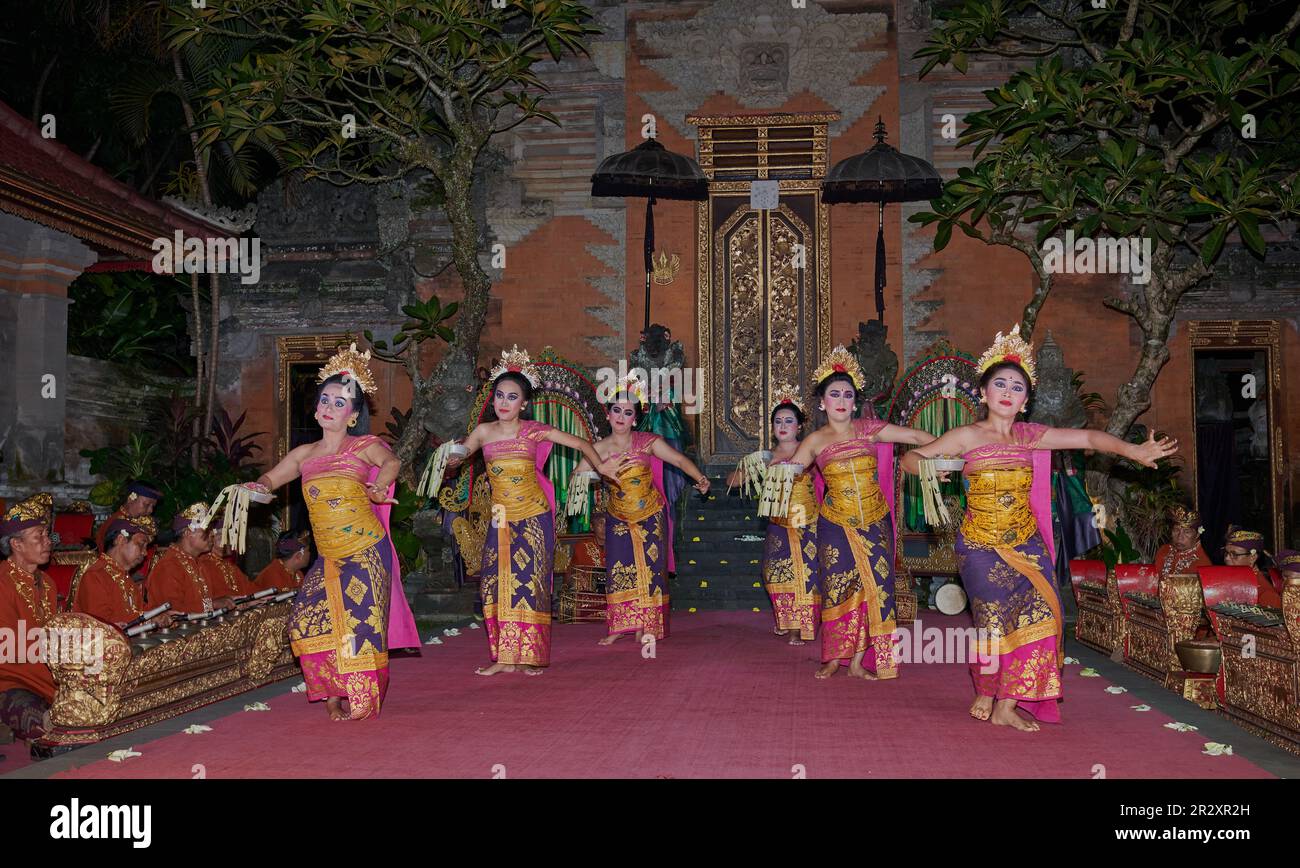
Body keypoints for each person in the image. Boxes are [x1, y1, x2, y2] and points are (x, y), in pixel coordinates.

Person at [902, 325, 1177, 731]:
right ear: (983, 393)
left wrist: (1133, 451)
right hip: (980, 547)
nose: (1008, 391)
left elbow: (1088, 437)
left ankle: (1007, 703)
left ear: (1026, 401)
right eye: (1000, 383)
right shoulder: (964, 436)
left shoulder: (1032, 437)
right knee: (994, 622)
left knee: (1043, 615)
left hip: (1028, 545)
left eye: (1017, 386)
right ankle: (987, 685)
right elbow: (910, 460)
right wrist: (929, 468)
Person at [253, 343, 421, 720]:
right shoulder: (304, 454)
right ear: (316, 408)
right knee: (305, 619)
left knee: (360, 625)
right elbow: (271, 478)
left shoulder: (364, 445)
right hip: (329, 555)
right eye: (325, 400)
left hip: (364, 550)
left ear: (353, 414)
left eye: (340, 402)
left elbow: (390, 461)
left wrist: (381, 485)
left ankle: (361, 700)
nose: (329, 407)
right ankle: (332, 691)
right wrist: (254, 487)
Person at [446, 346, 616, 675]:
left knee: (530, 583)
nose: (504, 402)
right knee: (496, 582)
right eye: (499, 396)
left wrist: (604, 469)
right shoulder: (483, 432)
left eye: (512, 397)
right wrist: (450, 459)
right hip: (500, 518)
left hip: (534, 515)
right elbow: (460, 455)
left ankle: (529, 655)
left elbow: (581, 444)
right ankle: (505, 658)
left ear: (523, 403)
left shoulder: (534, 430)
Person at [786, 348, 936, 680]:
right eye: (834, 394)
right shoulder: (814, 440)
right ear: (822, 403)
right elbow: (791, 473)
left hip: (874, 518)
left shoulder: (870, 429)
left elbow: (913, 436)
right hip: (835, 523)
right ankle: (833, 657)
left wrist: (938, 454)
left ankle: (858, 662)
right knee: (839, 586)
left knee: (877, 588)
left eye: (848, 395)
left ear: (855, 403)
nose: (841, 399)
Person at [572, 372, 710, 648]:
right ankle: (620, 626)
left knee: (649, 570)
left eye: (628, 412)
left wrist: (700, 479)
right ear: (609, 416)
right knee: (619, 569)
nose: (621, 416)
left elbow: (679, 460)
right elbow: (576, 476)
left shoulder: (648, 441)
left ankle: (646, 625)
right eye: (616, 410)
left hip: (650, 515)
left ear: (635, 418)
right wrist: (590, 473)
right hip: (618, 516)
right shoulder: (597, 449)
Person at [728, 387, 821, 645]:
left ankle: (798, 629)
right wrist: (752, 468)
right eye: (778, 421)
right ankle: (786, 620)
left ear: (799, 427)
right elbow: (732, 481)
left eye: (789, 420)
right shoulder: (767, 457)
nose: (783, 425)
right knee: (775, 573)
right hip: (778, 523)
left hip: (806, 522)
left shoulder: (811, 450)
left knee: (805, 575)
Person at [0, 494, 57, 744]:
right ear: (17, 544)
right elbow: (8, 650)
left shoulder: (48, 583)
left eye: (47, 535)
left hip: (46, 673)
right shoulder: (3, 583)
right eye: (39, 536)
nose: (48, 542)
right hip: (10, 679)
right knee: (48, 726)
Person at [73, 517, 171, 629]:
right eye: (140, 545)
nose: (144, 553)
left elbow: (139, 610)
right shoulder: (94, 576)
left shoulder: (125, 578)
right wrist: (149, 618)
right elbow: (102, 623)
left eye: (146, 547)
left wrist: (159, 614)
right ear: (120, 539)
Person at [145, 502, 236, 615]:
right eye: (207, 530)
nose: (212, 535)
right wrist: (212, 605)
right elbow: (171, 610)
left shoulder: (199, 563)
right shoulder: (168, 566)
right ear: (188, 532)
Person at [1223, 529, 1283, 609]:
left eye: (1234, 554)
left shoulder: (1265, 593)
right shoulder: (1229, 580)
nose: (1227, 558)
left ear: (1252, 558)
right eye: (1226, 553)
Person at [94, 481, 162, 551]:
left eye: (153, 506)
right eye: (146, 505)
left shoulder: (136, 519)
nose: (151, 510)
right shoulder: (120, 524)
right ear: (130, 499)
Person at [1153, 506, 1211, 582]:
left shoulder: (1203, 564)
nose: (1180, 537)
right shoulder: (1163, 550)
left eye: (1187, 532)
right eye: (1176, 530)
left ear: (1197, 534)